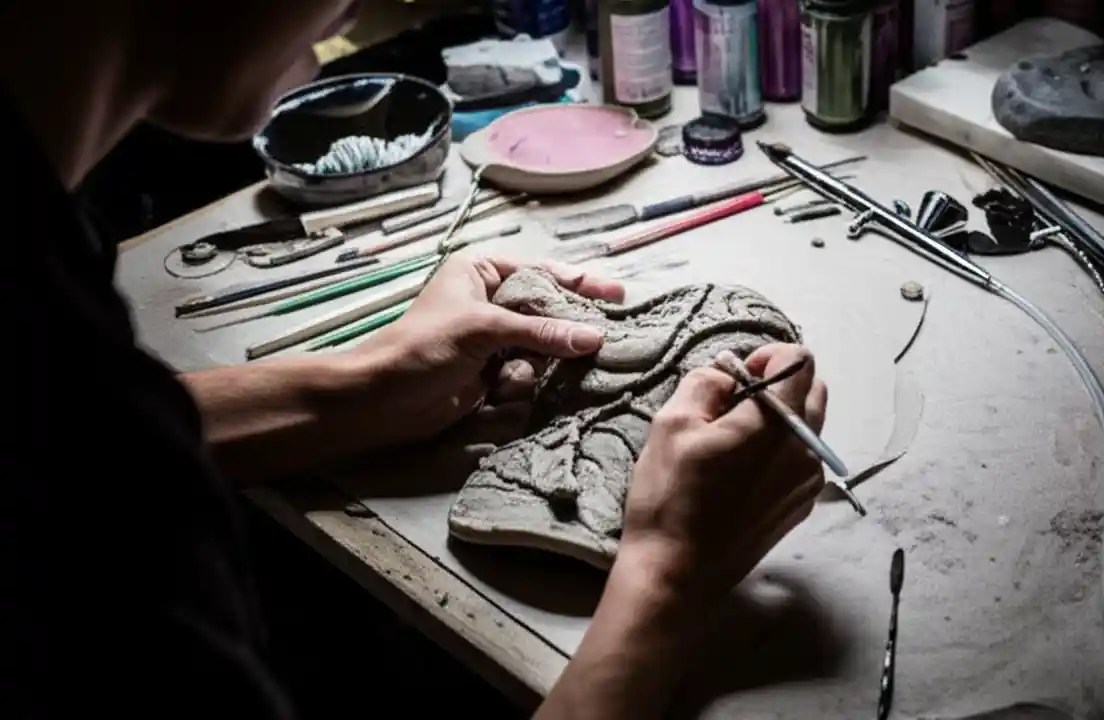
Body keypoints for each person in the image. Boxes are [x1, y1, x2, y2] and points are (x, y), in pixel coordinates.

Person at [0, 1, 828, 717]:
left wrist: (363, 388)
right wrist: (668, 585)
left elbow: (65, 443)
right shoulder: (96, 561)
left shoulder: (46, 275)